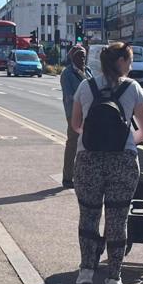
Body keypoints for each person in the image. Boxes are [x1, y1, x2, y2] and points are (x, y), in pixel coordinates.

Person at [70, 42, 143, 284]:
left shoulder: (86, 86)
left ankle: (86, 270)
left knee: (89, 216)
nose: (130, 65)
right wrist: (126, 142)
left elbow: (75, 124)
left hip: (88, 161)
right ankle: (114, 278)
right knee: (118, 219)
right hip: (122, 163)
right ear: (120, 62)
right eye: (128, 60)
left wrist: (94, 138)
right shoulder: (133, 88)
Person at [59, 47, 92, 189]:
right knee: (72, 144)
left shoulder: (88, 70)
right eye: (79, 56)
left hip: (90, 113)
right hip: (74, 114)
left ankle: (86, 175)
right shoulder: (67, 73)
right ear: (72, 57)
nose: (82, 59)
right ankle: (67, 178)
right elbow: (69, 96)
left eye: (84, 56)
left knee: (88, 145)